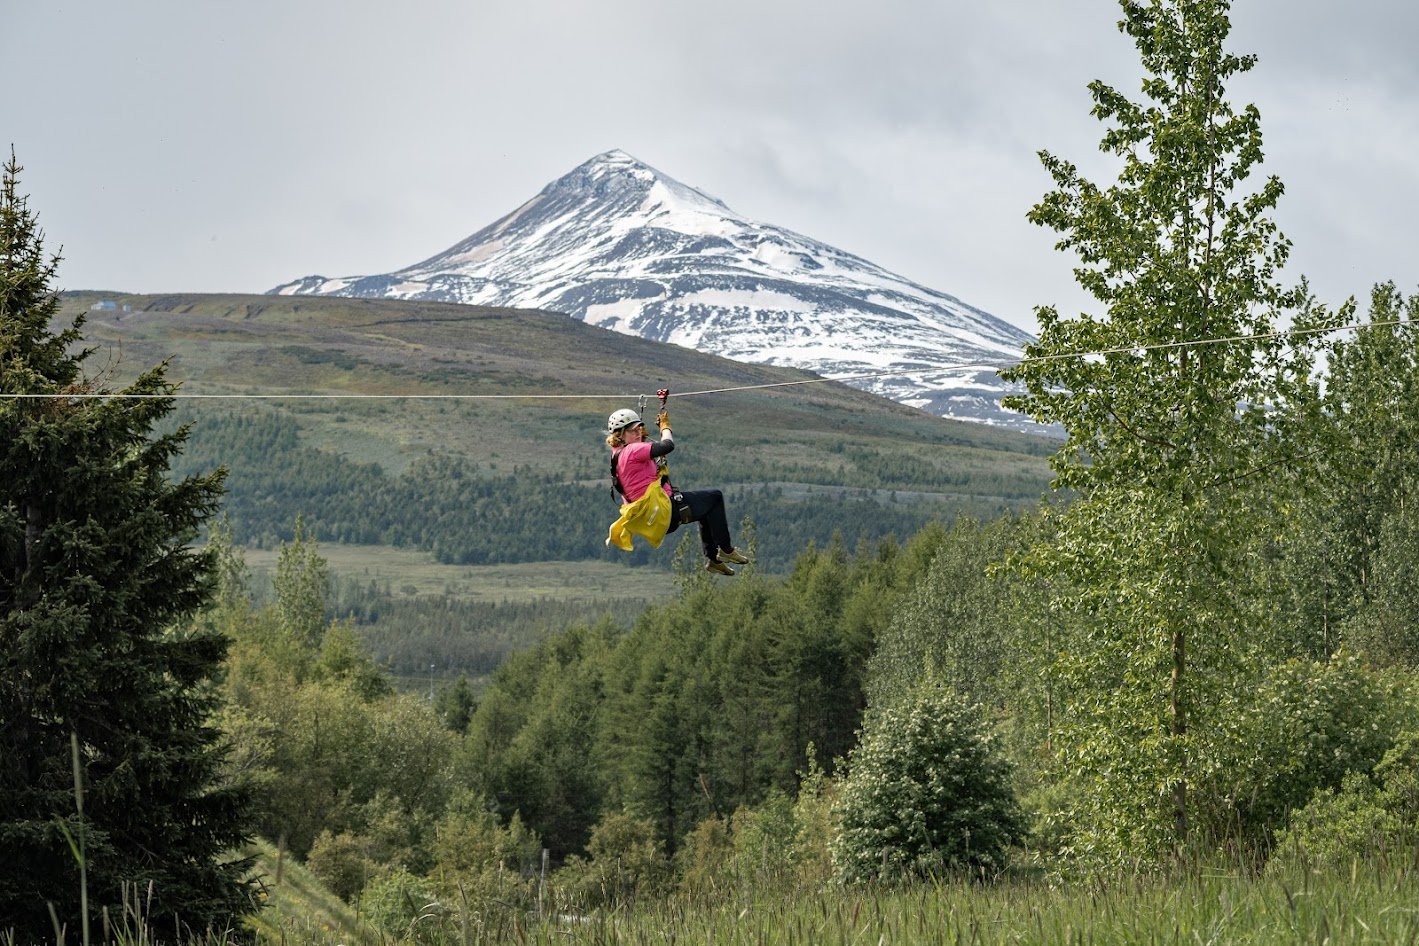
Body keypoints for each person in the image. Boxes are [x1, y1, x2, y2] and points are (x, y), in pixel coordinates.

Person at [604, 405, 749, 576]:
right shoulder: (632, 450)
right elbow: (667, 445)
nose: (638, 434)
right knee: (715, 498)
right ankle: (726, 549)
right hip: (666, 510)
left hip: (655, 516)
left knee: (706, 509)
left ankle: (713, 560)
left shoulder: (617, 455)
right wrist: (665, 427)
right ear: (619, 435)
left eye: (639, 429)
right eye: (632, 431)